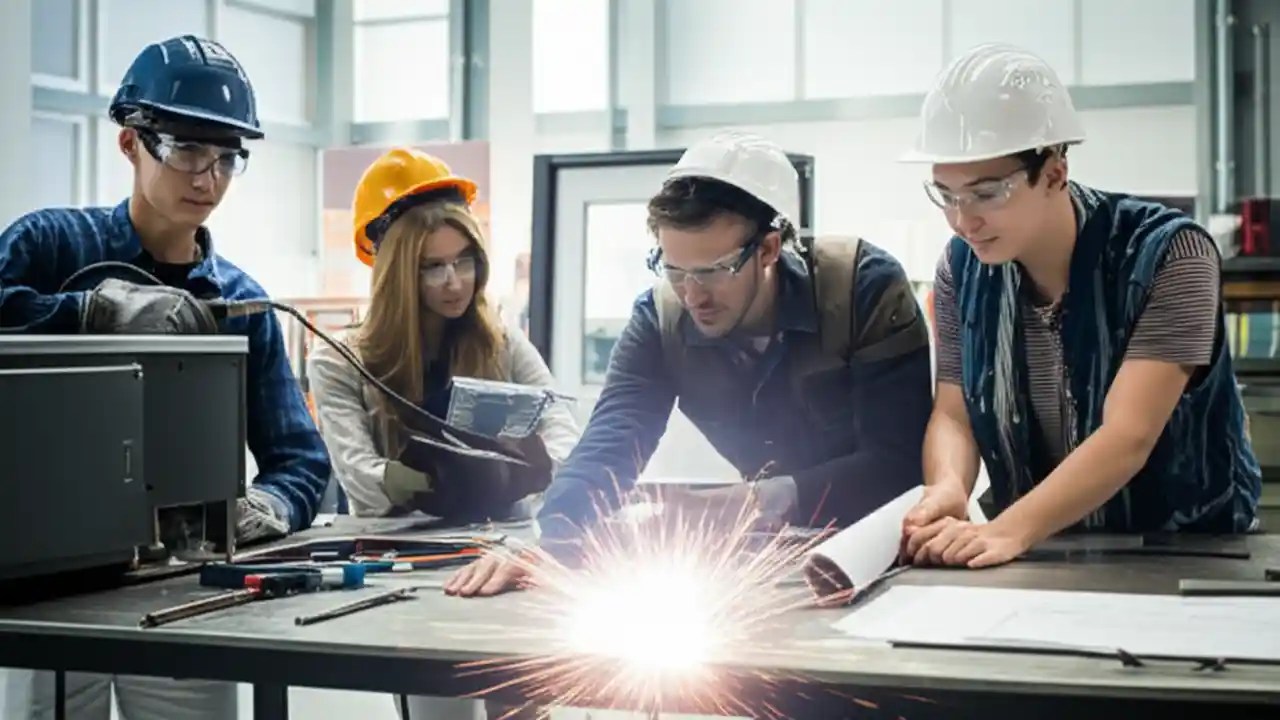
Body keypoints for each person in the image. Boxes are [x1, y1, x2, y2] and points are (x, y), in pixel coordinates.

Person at [448, 130, 934, 597]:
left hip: (883, 558)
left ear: (768, 248)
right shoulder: (660, 318)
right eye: (675, 269)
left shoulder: (859, 290)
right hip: (774, 563)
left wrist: (751, 502)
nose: (692, 295)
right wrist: (551, 542)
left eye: (713, 271)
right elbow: (609, 444)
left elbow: (898, 466)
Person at [0, 35, 331, 720]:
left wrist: (266, 507)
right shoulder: (47, 247)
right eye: (185, 150)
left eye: (226, 159)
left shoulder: (242, 304)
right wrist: (89, 312)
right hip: (50, 594)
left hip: (185, 594)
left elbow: (300, 461)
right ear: (130, 143)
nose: (207, 179)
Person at [899, 43, 1262, 569]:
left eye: (986, 193)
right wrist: (950, 485)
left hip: (1185, 553)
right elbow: (953, 413)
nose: (962, 220)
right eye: (947, 195)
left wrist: (1007, 530)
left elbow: (1128, 435)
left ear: (1054, 173)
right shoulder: (961, 269)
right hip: (1041, 553)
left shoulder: (1170, 254)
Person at [308, 146, 580, 518]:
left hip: (498, 540)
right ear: (398, 272)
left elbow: (560, 426)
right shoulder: (338, 361)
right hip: (394, 550)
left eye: (464, 261)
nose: (454, 283)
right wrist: (410, 482)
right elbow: (356, 472)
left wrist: (533, 468)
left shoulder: (501, 341)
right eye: (433, 267)